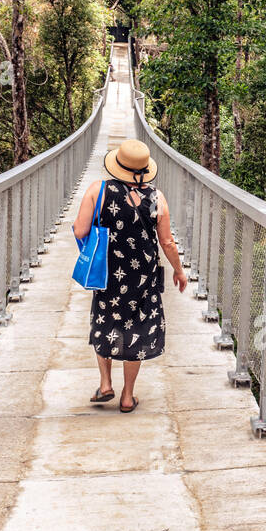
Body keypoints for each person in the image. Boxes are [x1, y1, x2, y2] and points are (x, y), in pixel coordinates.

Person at [72, 138, 186, 413]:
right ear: (145, 169)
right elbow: (167, 242)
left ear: (117, 166)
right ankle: (127, 396)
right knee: (137, 328)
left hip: (109, 271)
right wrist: (179, 271)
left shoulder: (97, 191)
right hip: (143, 275)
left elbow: (79, 230)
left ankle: (105, 383)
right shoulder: (157, 198)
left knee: (105, 320)